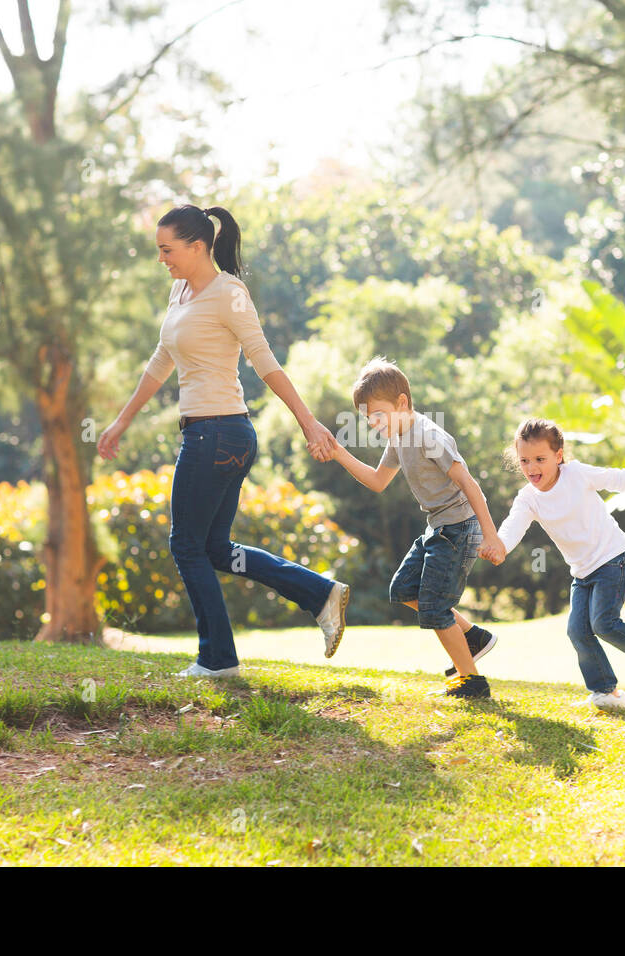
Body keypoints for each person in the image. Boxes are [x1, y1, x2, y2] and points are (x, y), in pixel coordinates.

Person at [98, 203, 349, 678]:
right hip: (211, 433)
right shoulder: (180, 293)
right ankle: (319, 594)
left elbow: (263, 358)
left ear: (198, 246)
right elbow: (159, 362)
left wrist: (308, 422)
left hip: (218, 433)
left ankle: (217, 660)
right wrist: (120, 422)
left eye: (168, 250)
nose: (162, 259)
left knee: (185, 546)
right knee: (213, 548)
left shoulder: (229, 293)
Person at [481, 418, 625, 709]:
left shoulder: (576, 474)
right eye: (525, 460)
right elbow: (512, 528)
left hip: (614, 560)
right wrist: (498, 547)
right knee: (578, 630)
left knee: (603, 623)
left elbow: (613, 478)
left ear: (559, 455)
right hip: (583, 572)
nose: (532, 468)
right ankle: (606, 691)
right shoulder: (528, 499)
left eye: (540, 459)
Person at [328, 357, 501, 698]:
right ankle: (474, 637)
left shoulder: (428, 435)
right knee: (404, 589)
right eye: (368, 418)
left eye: (378, 414)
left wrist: (491, 534)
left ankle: (472, 682)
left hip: (459, 529)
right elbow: (379, 481)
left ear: (402, 403)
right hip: (437, 529)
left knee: (435, 608)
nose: (374, 423)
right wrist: (338, 453)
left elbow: (469, 483)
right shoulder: (398, 437)